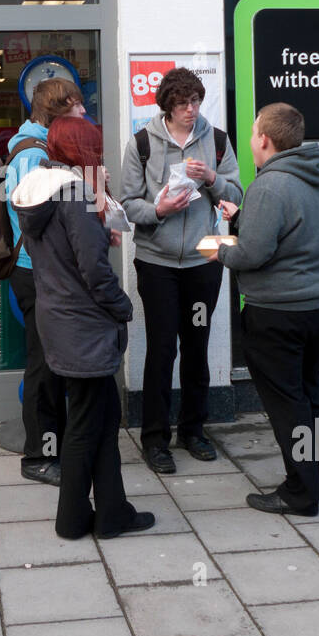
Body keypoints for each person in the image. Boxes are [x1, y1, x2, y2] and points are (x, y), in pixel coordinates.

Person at [12, 117, 155, 539]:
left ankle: (112, 511)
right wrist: (123, 306)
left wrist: (98, 228)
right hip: (84, 325)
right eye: (98, 149)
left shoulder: (44, 189)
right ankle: (72, 519)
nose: (103, 157)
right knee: (86, 424)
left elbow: (65, 253)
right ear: (84, 151)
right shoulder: (75, 194)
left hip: (60, 320)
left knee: (102, 417)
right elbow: (93, 271)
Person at [201, 102, 319, 517]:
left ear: (264, 138)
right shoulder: (312, 176)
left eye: (252, 131)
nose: (249, 138)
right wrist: (243, 216)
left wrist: (217, 251)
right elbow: (289, 232)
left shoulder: (270, 184)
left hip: (278, 312)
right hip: (316, 305)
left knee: (286, 403)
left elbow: (253, 254)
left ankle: (300, 492)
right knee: (308, 393)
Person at [120, 67, 242, 474]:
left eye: (196, 102)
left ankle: (194, 429)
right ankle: (155, 438)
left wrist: (211, 178)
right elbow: (126, 204)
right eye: (183, 104)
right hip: (156, 262)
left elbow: (237, 193)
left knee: (197, 344)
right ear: (167, 106)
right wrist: (157, 210)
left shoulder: (217, 139)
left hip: (204, 259)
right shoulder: (141, 143)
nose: (191, 110)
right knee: (161, 349)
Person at [5, 78, 86, 486]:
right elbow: (38, 222)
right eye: (76, 107)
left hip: (38, 270)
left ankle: (50, 446)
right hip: (36, 271)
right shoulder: (34, 155)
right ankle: (39, 454)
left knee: (49, 362)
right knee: (43, 364)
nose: (84, 113)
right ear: (57, 114)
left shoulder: (36, 148)